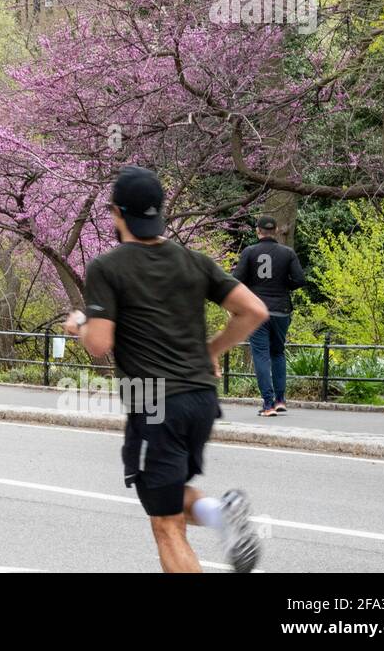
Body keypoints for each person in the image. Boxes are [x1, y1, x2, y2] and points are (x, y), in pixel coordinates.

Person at [62, 166, 268, 573]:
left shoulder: (108, 267)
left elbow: (100, 345)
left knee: (165, 523)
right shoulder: (194, 260)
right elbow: (254, 310)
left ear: (116, 212)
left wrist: (80, 324)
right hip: (201, 399)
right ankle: (221, 513)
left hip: (154, 403)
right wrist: (212, 349)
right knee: (171, 496)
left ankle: (222, 516)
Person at [233, 215, 306, 417]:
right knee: (278, 353)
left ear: (258, 231)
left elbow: (235, 280)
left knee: (261, 356)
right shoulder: (287, 253)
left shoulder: (250, 252)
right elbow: (300, 280)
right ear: (275, 231)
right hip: (281, 310)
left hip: (257, 311)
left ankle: (268, 403)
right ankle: (280, 399)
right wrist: (284, 286)